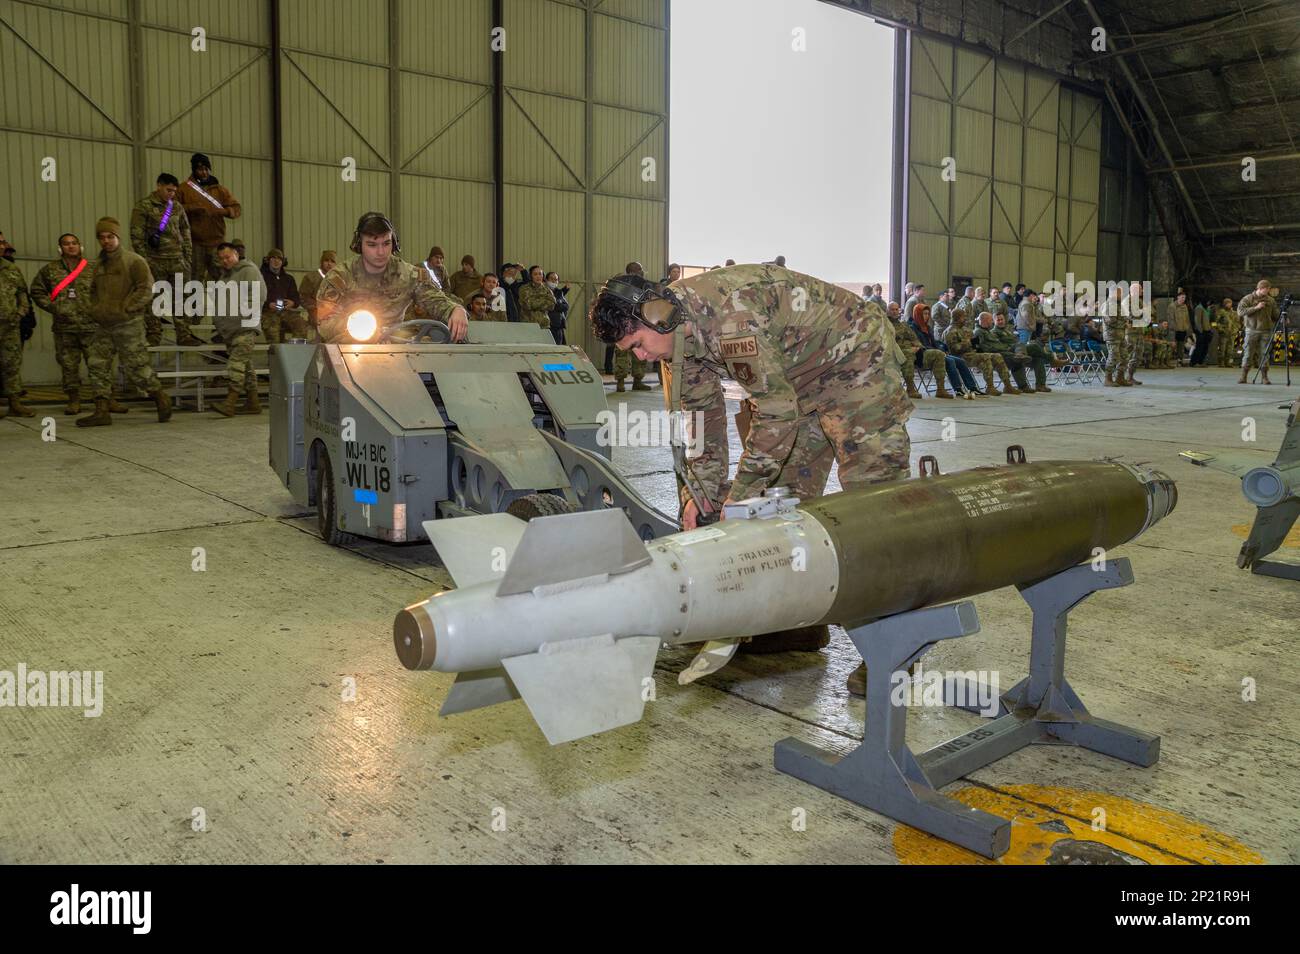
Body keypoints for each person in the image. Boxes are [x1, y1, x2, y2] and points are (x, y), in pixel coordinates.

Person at [591, 264, 913, 693]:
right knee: (787, 507)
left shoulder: (730, 316)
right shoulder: (676, 345)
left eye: (638, 344)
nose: (640, 357)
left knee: (876, 506)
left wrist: (739, 496)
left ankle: (896, 652)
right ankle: (799, 625)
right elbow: (702, 424)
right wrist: (702, 497)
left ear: (657, 315)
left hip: (855, 359)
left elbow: (776, 413)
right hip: (797, 380)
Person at [76, 217, 172, 426]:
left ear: (118, 237)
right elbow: (91, 291)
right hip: (103, 324)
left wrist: (127, 308)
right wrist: (95, 309)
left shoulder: (134, 260)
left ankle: (160, 397)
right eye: (102, 237)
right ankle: (102, 410)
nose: (106, 241)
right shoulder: (98, 265)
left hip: (128, 324)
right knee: (97, 365)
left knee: (137, 367)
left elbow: (146, 288)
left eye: (110, 237)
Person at [315, 212, 467, 343]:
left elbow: (434, 299)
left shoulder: (410, 275)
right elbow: (325, 323)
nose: (381, 252)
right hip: (348, 351)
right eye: (372, 245)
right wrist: (362, 331)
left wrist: (455, 309)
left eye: (386, 243)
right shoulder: (339, 277)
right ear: (359, 244)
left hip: (393, 350)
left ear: (393, 243)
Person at [29, 233, 98, 414]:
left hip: (92, 327)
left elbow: (106, 290)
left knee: (99, 365)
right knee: (69, 366)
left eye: (74, 243)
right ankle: (74, 400)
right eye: (66, 244)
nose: (71, 247)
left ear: (80, 246)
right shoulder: (49, 270)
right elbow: (37, 291)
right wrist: (54, 307)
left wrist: (98, 309)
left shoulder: (93, 268)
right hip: (64, 327)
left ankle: (105, 400)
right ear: (60, 248)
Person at [130, 172, 195, 345]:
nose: (171, 194)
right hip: (155, 260)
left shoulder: (177, 207)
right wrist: (145, 261)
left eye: (174, 191)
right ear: (158, 186)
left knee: (182, 297)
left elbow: (186, 232)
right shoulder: (143, 206)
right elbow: (137, 236)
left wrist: (187, 257)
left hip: (178, 260)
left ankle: (183, 334)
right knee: (154, 297)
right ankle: (154, 333)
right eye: (168, 190)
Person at [210, 242, 266, 417]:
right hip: (230, 330)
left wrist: (242, 314)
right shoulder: (224, 278)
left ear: (236, 254)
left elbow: (258, 295)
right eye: (221, 259)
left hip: (245, 327)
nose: (224, 261)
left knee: (235, 364)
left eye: (227, 257)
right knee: (246, 366)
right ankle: (253, 402)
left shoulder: (248, 271)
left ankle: (230, 402)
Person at [179, 152, 241, 294]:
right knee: (194, 281)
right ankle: (193, 313)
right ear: (194, 170)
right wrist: (192, 208)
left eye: (206, 169)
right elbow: (173, 209)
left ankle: (223, 310)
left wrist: (224, 212)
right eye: (200, 169)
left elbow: (237, 209)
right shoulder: (184, 189)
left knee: (222, 278)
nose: (204, 172)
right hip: (195, 243)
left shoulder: (220, 190)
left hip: (216, 243)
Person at [910, 303, 978, 398]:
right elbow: (920, 345)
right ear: (917, 314)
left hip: (936, 353)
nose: (927, 316)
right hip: (922, 356)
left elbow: (934, 343)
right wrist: (937, 350)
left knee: (960, 361)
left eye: (928, 314)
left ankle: (972, 387)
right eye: (924, 314)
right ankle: (957, 388)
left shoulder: (927, 327)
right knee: (950, 361)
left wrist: (942, 348)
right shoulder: (912, 328)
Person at [888, 301, 953, 399]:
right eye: (892, 309)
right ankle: (910, 389)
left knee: (938, 354)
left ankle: (940, 389)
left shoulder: (903, 325)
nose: (894, 311)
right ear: (887, 311)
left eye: (896, 309)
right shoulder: (885, 326)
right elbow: (887, 343)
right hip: (897, 354)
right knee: (908, 353)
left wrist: (918, 347)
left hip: (915, 352)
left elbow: (914, 338)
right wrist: (909, 349)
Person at [944, 309, 1018, 395]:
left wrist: (976, 345)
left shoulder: (966, 330)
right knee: (985, 357)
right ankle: (990, 387)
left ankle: (1007, 385)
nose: (966, 319)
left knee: (997, 356)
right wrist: (969, 343)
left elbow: (975, 345)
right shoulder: (950, 331)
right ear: (957, 318)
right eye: (963, 317)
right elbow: (953, 349)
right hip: (960, 357)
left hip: (972, 354)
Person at [0, 242, 33, 416]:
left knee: (11, 364)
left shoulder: (11, 269)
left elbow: (22, 293)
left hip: (9, 326)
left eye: (0, 243)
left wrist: (20, 313)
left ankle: (14, 403)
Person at [975, 312, 1036, 394]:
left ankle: (1021, 386)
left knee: (1023, 357)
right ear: (984, 320)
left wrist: (1003, 348)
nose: (991, 322)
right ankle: (1013, 386)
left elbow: (997, 344)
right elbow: (982, 347)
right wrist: (1002, 348)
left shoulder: (987, 331)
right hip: (994, 356)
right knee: (1016, 359)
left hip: (1003, 352)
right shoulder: (979, 332)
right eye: (990, 320)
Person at [993, 311, 1052, 392]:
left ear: (1005, 319)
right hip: (1007, 356)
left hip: (1018, 352)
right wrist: (1013, 348)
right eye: (998, 320)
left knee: (1037, 359)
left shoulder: (1008, 331)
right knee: (1030, 348)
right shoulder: (994, 332)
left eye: (1001, 319)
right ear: (994, 321)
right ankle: (1023, 386)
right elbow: (998, 347)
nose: (1000, 321)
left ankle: (1040, 385)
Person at [259, 249, 307, 343]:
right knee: (273, 333)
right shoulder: (260, 277)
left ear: (283, 262)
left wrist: (292, 303)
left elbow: (296, 297)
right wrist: (268, 304)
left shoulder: (288, 279)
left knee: (301, 325)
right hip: (267, 312)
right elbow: (255, 296)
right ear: (268, 260)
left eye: (279, 259)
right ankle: (275, 356)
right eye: (273, 258)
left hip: (285, 311)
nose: (276, 261)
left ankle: (295, 353)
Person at [1237, 279, 1278, 384]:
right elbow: (1240, 312)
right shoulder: (1248, 298)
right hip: (1252, 330)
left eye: (1268, 289)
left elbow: (1275, 314)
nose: (1268, 291)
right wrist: (1256, 307)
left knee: (1265, 354)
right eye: (1266, 289)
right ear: (1260, 288)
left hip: (1266, 331)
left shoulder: (1270, 300)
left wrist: (1282, 316)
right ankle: (1243, 376)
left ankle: (1264, 377)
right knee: (1248, 353)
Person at [298, 250, 336, 335]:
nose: (329, 263)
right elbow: (303, 297)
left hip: (335, 311)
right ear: (321, 262)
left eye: (332, 261)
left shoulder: (338, 278)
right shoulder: (311, 277)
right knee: (324, 324)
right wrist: (317, 305)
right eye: (326, 260)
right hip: (316, 311)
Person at [517, 265, 555, 329]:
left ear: (543, 276)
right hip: (528, 325)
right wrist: (544, 301)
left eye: (540, 274)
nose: (538, 276)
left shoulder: (547, 289)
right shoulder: (524, 288)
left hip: (544, 325)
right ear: (531, 276)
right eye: (535, 274)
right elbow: (528, 304)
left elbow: (552, 305)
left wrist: (535, 301)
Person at [1167, 291, 1190, 366]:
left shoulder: (1185, 306)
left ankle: (1180, 360)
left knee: (1181, 345)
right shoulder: (1172, 306)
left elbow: (1187, 318)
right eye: (1182, 297)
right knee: (1172, 345)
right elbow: (1171, 319)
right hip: (1175, 329)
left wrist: (1187, 327)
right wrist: (1173, 328)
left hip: (1183, 329)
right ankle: (1168, 361)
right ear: (1178, 297)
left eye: (1184, 298)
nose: (1183, 299)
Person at [1215, 297, 1239, 367]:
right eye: (1227, 303)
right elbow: (1216, 322)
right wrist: (1220, 329)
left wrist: (1236, 329)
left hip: (1232, 334)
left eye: (1230, 303)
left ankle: (1228, 362)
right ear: (1224, 304)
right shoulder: (1221, 312)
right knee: (1222, 349)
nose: (1229, 305)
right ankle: (1221, 363)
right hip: (1223, 333)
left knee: (1230, 349)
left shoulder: (1234, 313)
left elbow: (1237, 322)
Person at [546, 271, 569, 345]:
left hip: (558, 326)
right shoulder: (542, 291)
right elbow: (546, 305)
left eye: (555, 279)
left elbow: (566, 306)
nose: (553, 281)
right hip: (546, 326)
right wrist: (557, 306)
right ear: (546, 280)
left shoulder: (559, 292)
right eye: (551, 279)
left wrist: (555, 306)